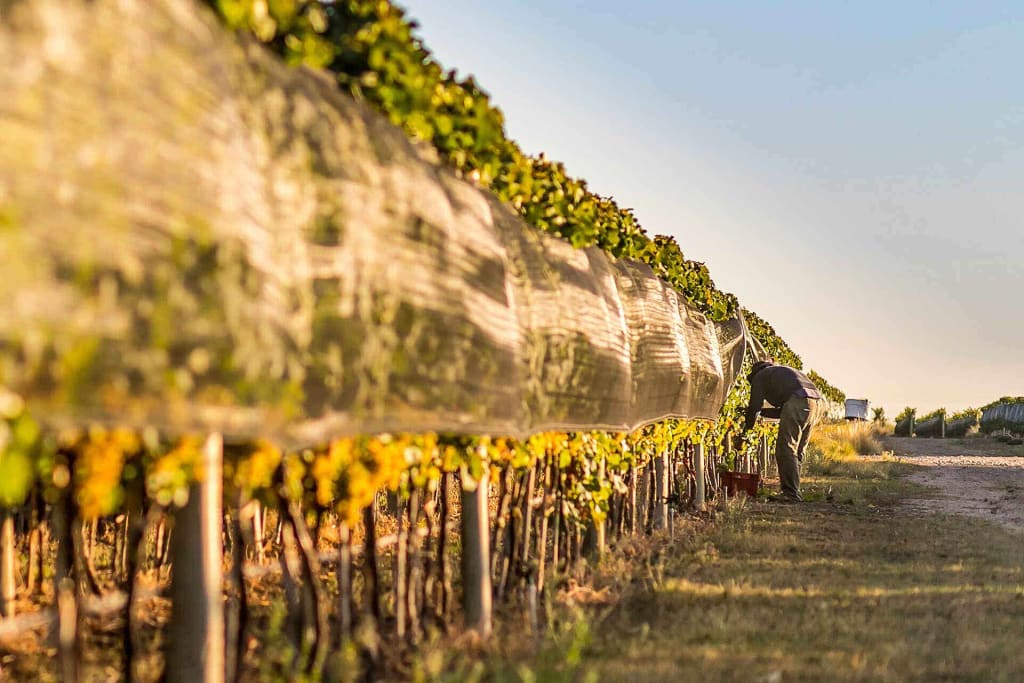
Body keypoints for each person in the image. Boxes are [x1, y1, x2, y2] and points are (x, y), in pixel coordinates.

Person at [733, 360, 826, 502]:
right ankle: (794, 490)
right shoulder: (782, 373)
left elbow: (754, 408)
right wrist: (762, 413)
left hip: (800, 401)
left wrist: (745, 433)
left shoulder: (760, 376)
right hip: (817, 404)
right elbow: (784, 411)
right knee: (798, 451)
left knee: (785, 448)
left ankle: (790, 494)